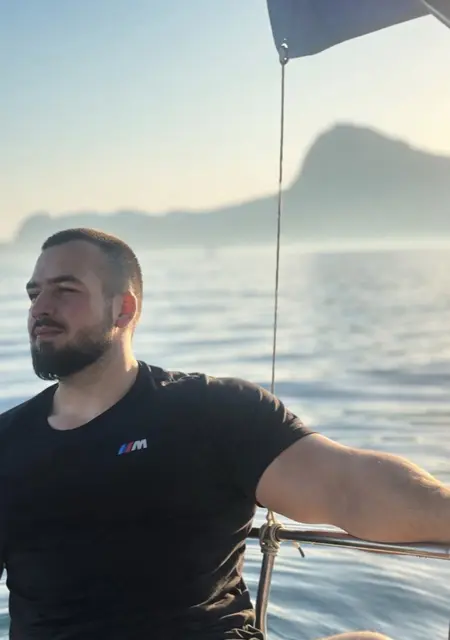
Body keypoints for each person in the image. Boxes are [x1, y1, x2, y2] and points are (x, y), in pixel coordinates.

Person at [0, 228, 448, 640]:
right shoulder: (7, 442)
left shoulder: (209, 413)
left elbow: (348, 488)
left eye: (65, 290)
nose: (40, 308)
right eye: (34, 293)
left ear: (124, 308)